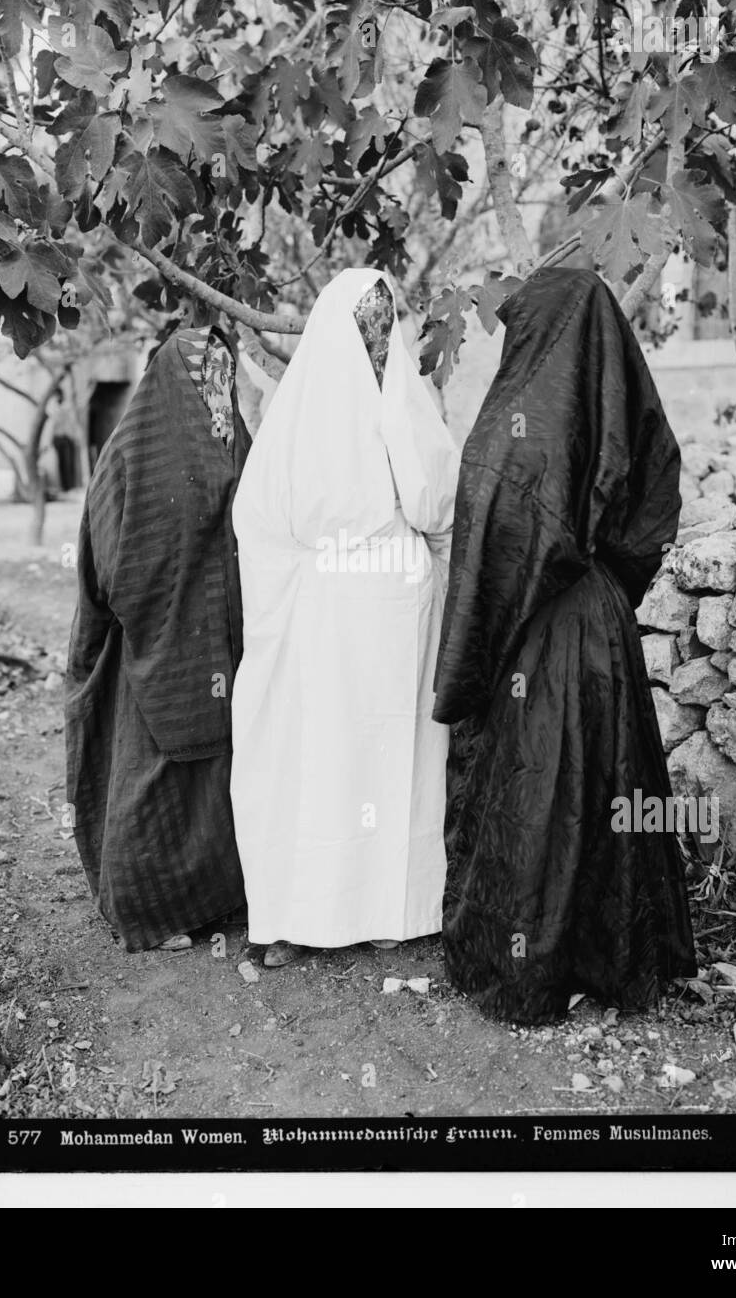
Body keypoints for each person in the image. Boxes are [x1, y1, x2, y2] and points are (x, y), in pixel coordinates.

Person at [432, 266, 697, 1024]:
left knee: (536, 795)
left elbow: (496, 548)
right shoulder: (609, 400)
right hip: (601, 630)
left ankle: (532, 964)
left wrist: (472, 661)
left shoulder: (518, 419)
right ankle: (615, 960)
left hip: (534, 641)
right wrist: (609, 581)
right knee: (607, 794)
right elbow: (654, 494)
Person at [230, 268, 458, 967]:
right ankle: (382, 910)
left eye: (377, 324)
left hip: (323, 615)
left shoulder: (299, 406)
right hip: (378, 607)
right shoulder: (401, 397)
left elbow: (256, 520)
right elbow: (433, 501)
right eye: (373, 326)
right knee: (378, 755)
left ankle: (304, 916)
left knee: (313, 757)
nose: (375, 338)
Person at [64, 323, 250, 951]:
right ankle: (147, 908)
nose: (217, 388)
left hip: (224, 641)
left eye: (224, 376)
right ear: (175, 377)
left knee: (218, 776)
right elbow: (115, 556)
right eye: (205, 376)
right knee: (154, 780)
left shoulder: (238, 442)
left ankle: (217, 898)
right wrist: (163, 614)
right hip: (155, 644)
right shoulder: (130, 454)